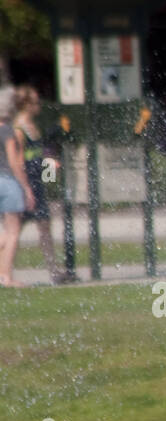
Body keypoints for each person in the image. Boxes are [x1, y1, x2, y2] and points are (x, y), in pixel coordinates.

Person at [12, 86, 73, 285]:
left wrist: (49, 169)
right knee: (13, 231)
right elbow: (19, 161)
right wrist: (25, 189)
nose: (39, 105)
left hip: (36, 183)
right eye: (36, 101)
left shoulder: (32, 125)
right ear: (26, 104)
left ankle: (54, 272)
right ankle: (5, 272)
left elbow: (38, 155)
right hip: (25, 185)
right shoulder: (19, 129)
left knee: (44, 226)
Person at [0, 89, 37, 289]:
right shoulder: (7, 131)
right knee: (13, 232)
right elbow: (15, 162)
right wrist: (26, 187)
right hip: (8, 182)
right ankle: (6, 276)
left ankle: (1, 273)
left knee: (5, 231)